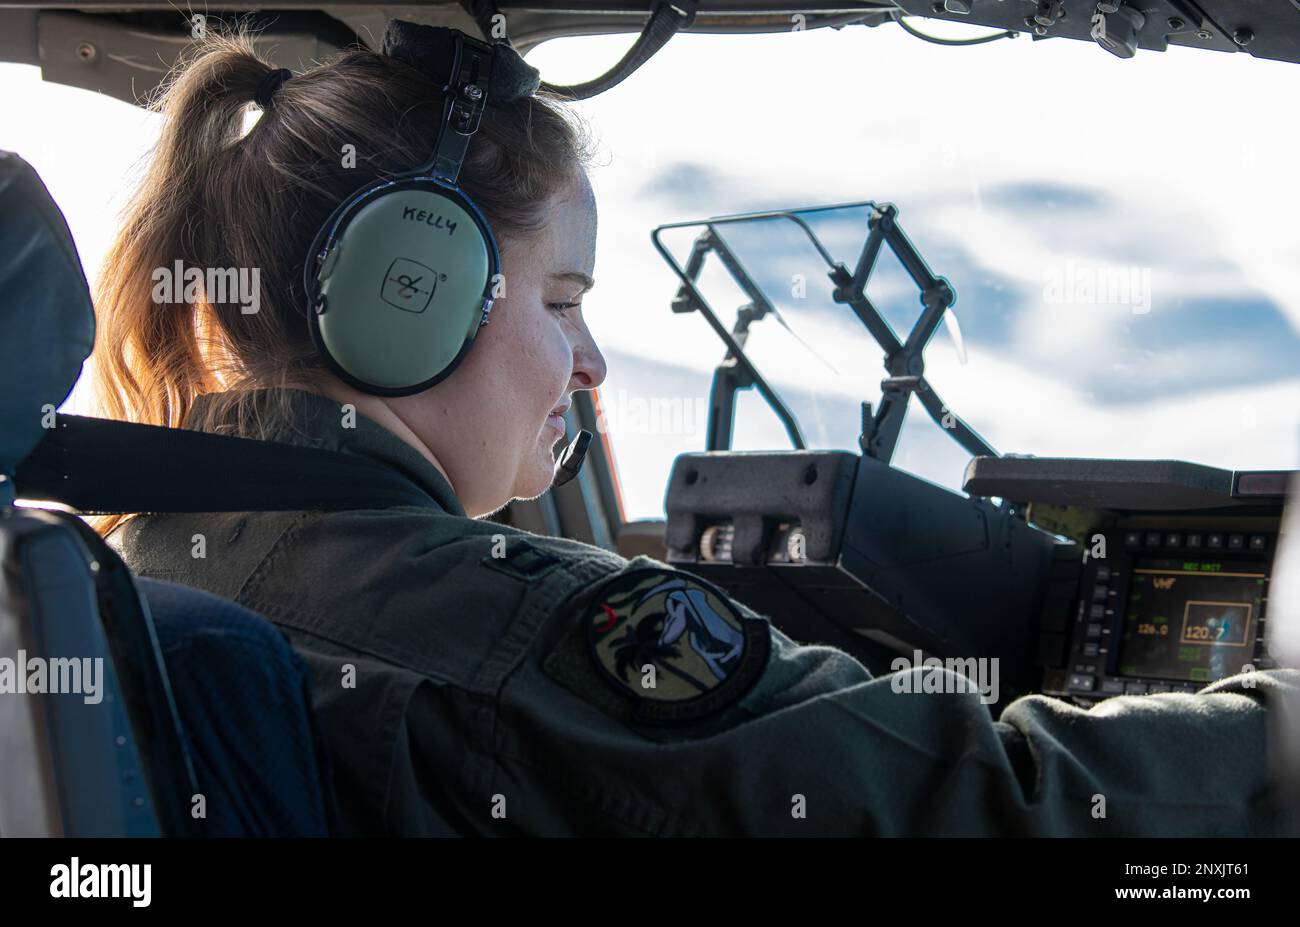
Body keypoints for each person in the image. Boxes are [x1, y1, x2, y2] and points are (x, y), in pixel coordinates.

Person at [94, 26, 1300, 837]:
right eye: (562, 302)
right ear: (405, 291)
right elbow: (1009, 805)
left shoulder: (143, 552)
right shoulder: (511, 624)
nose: (592, 362)